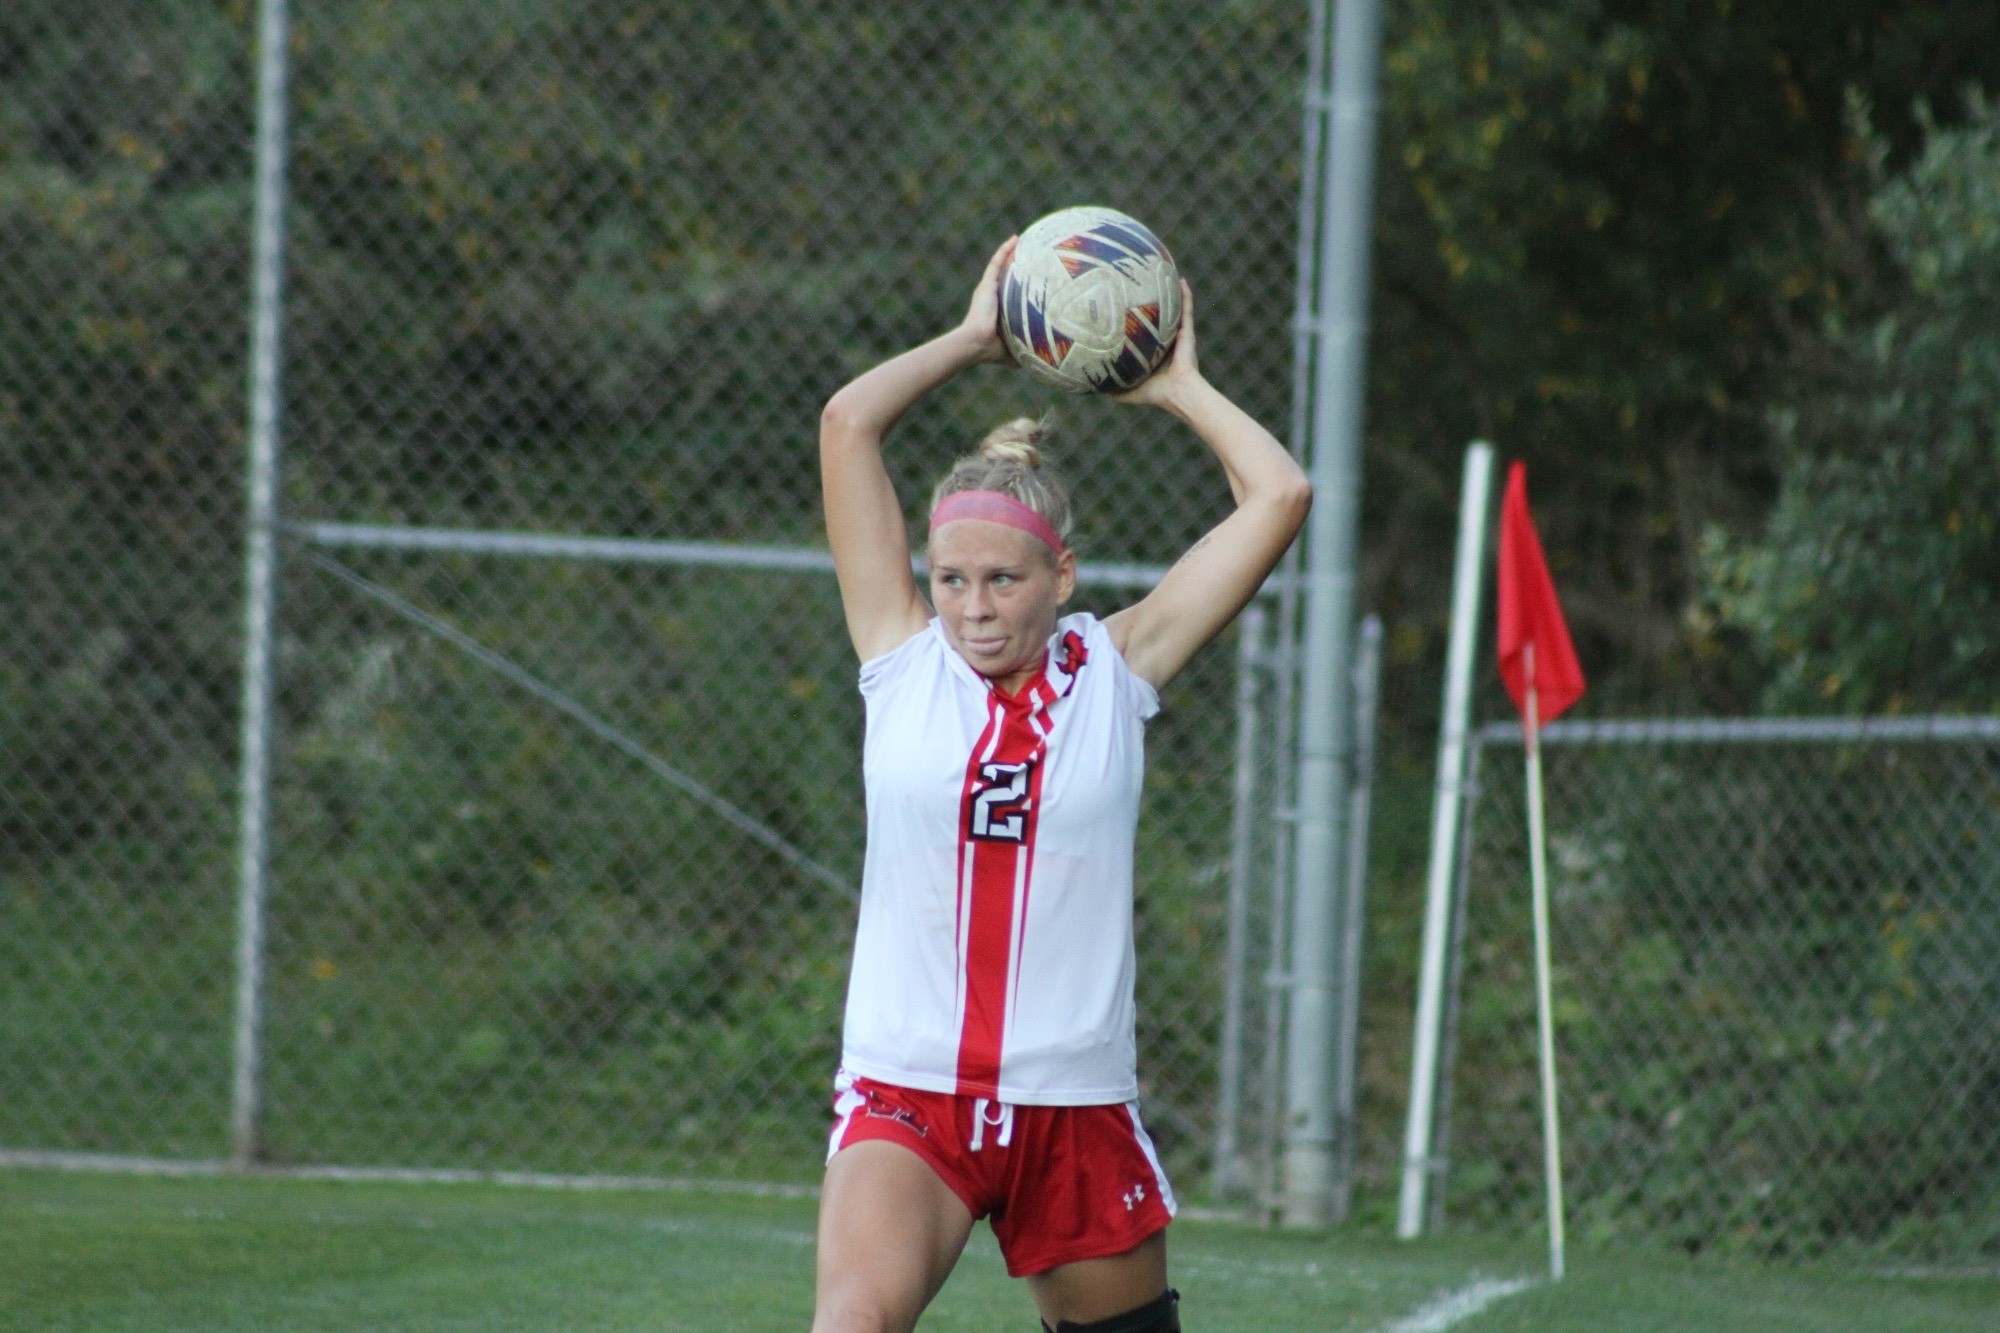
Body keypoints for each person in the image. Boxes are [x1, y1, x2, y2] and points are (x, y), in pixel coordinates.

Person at [813, 236, 1310, 1333]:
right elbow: (847, 423)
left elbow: (1277, 493)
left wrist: (1176, 385)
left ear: (1062, 576)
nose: (973, 606)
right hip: (911, 1096)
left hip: (1071, 1102)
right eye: (950, 578)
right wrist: (971, 340)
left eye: (1002, 579)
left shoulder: (1116, 669)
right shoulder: (899, 662)